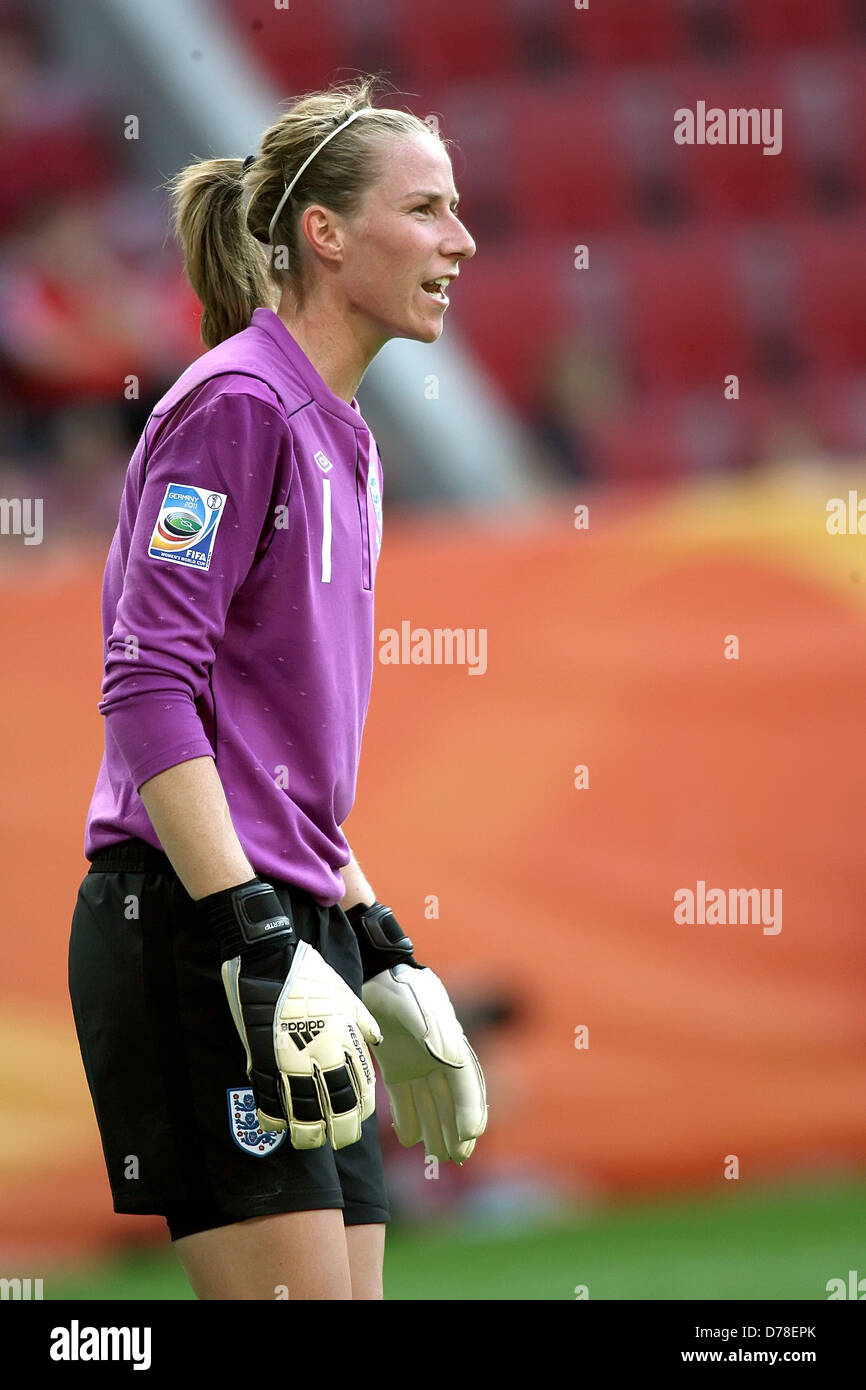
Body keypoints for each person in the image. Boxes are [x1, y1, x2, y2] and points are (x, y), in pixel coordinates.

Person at [67, 74, 486, 1301]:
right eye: (427, 209)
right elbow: (147, 686)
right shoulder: (237, 406)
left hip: (287, 932)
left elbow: (270, 754)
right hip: (204, 927)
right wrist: (255, 934)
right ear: (325, 232)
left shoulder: (341, 433)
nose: (461, 241)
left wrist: (371, 933)